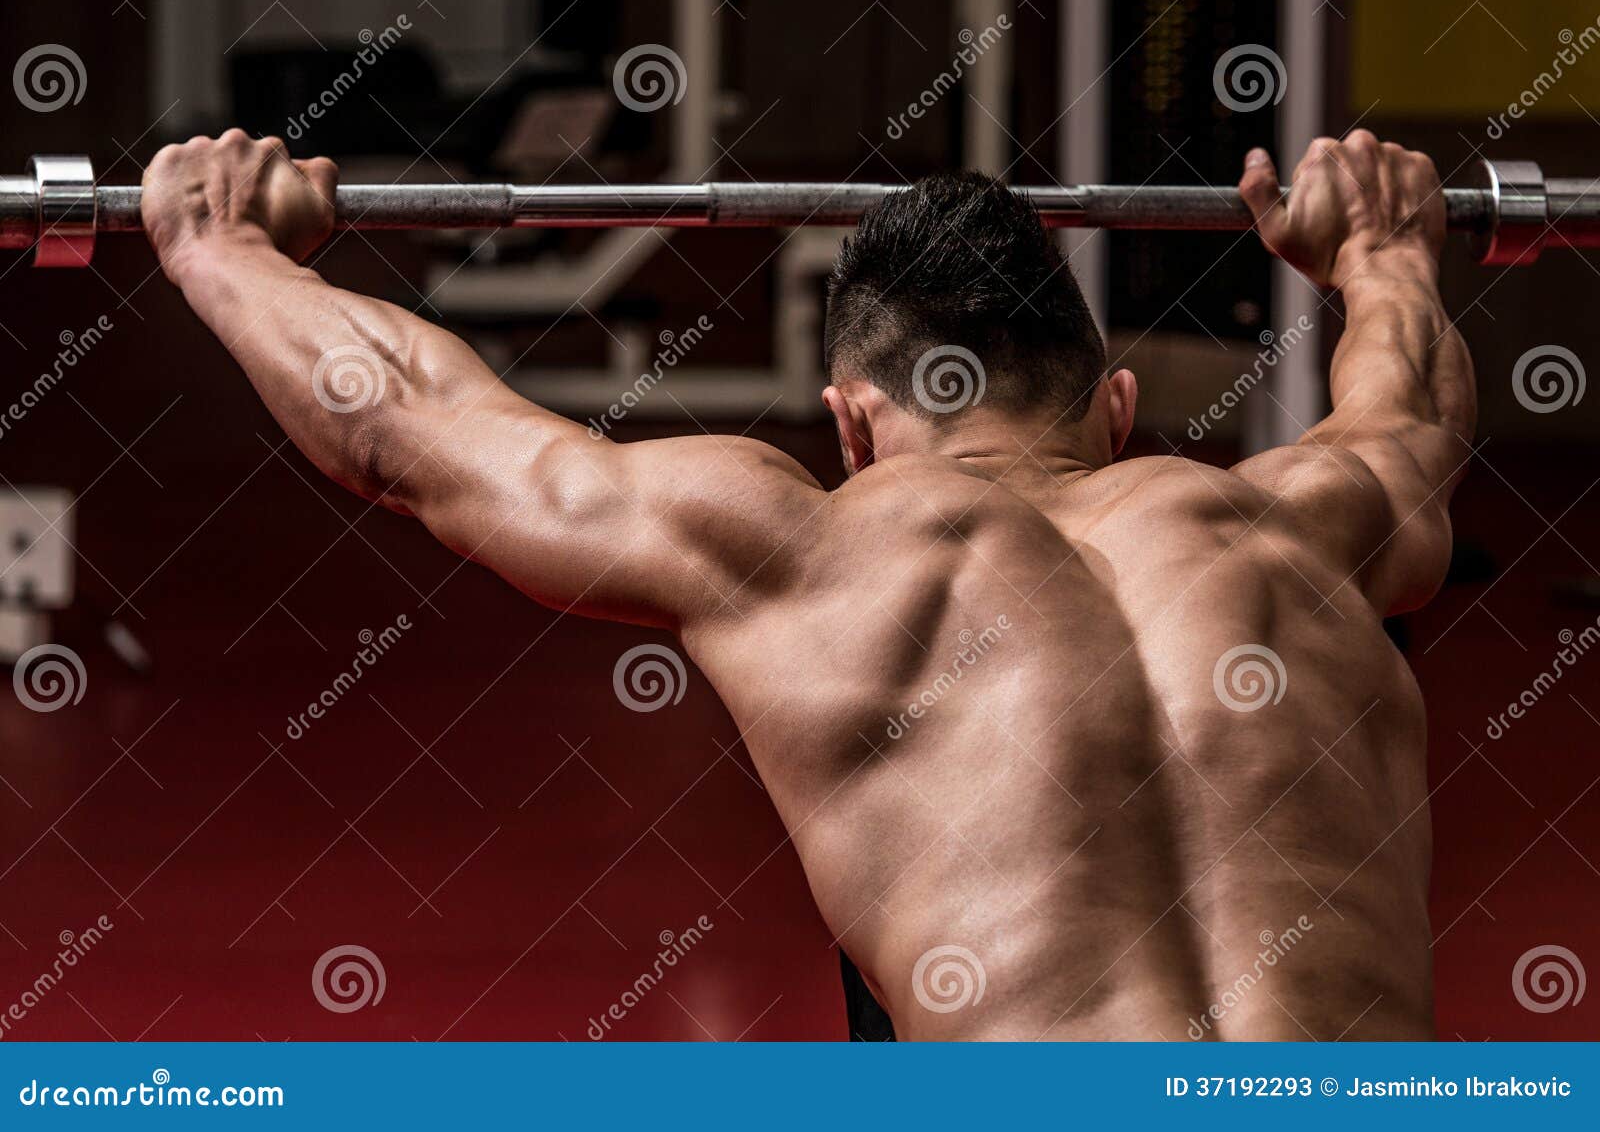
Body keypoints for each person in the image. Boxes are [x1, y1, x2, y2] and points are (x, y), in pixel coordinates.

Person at [141, 128, 1471, 1039]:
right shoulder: (1309, 527)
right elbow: (1405, 410)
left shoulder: (806, 547)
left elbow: (413, 432)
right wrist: (1385, 255)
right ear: (1117, 409)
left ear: (849, 427)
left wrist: (225, 251)